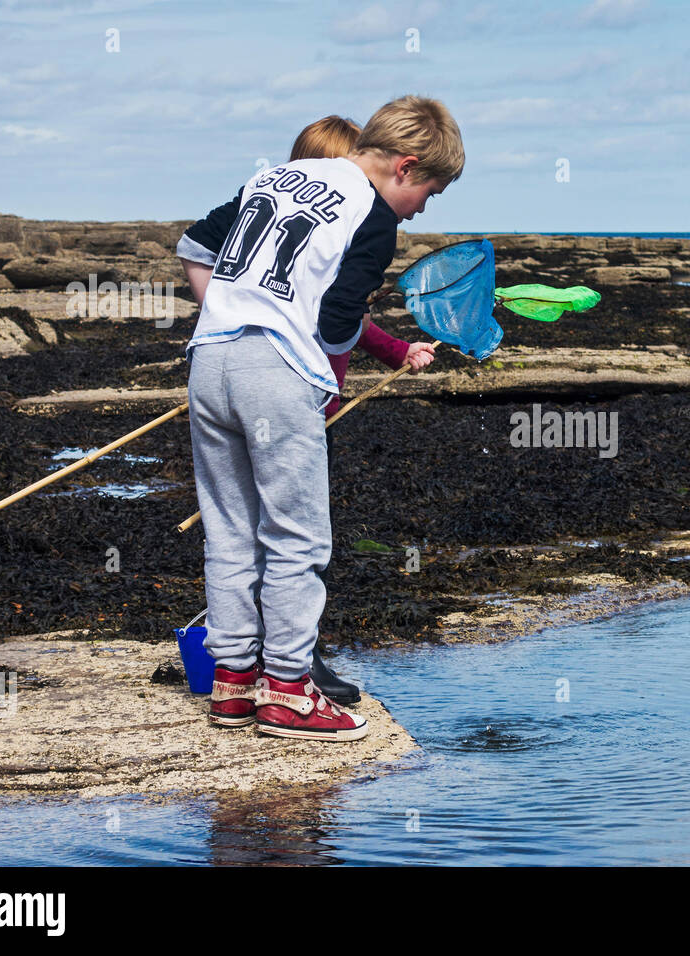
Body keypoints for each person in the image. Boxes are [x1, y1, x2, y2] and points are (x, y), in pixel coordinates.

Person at [177, 96, 463, 741]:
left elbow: (194, 244)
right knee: (296, 537)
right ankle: (288, 694)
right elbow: (339, 314)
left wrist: (231, 314)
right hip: (277, 377)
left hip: (211, 359)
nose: (420, 208)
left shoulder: (273, 177)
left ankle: (232, 684)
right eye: (428, 192)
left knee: (228, 531)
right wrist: (316, 383)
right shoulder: (372, 210)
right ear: (405, 165)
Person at [283, 115, 435, 707]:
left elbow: (348, 318)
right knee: (295, 539)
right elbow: (327, 316)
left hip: (309, 408)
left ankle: (285, 653)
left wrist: (401, 350)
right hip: (293, 402)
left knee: (283, 535)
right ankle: (295, 663)